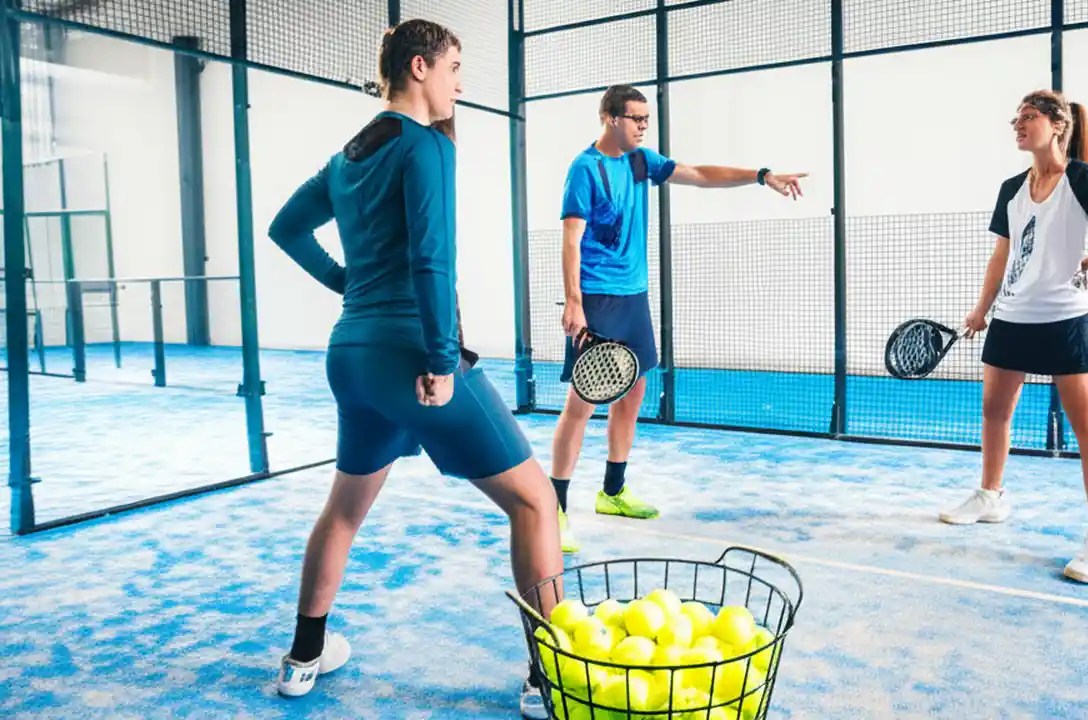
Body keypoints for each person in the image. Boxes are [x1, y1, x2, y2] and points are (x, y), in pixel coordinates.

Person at [264, 20, 562, 714]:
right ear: (420, 66)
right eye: (456, 66)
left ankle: (304, 657)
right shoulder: (426, 146)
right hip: (412, 357)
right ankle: (547, 677)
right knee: (535, 502)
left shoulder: (346, 158)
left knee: (342, 510)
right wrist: (440, 360)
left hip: (353, 357)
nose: (461, 82)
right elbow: (433, 259)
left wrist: (348, 284)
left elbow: (285, 229)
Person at [550, 84, 808, 553]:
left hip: (634, 296)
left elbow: (699, 173)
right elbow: (571, 238)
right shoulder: (584, 169)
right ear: (610, 118)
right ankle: (556, 509)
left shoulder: (642, 161)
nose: (644, 126)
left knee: (634, 391)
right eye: (636, 119)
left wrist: (761, 175)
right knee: (582, 403)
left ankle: (612, 492)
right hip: (598, 298)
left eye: (647, 119)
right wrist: (574, 301)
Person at [939, 89, 1088, 584]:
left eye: (1028, 117)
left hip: (1065, 318)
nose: (1018, 125)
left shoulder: (1082, 179)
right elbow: (1002, 256)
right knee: (994, 409)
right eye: (1015, 119)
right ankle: (991, 496)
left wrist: (1085, 263)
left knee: (1087, 425)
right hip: (1011, 315)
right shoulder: (1011, 187)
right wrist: (981, 309)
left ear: (1057, 125)